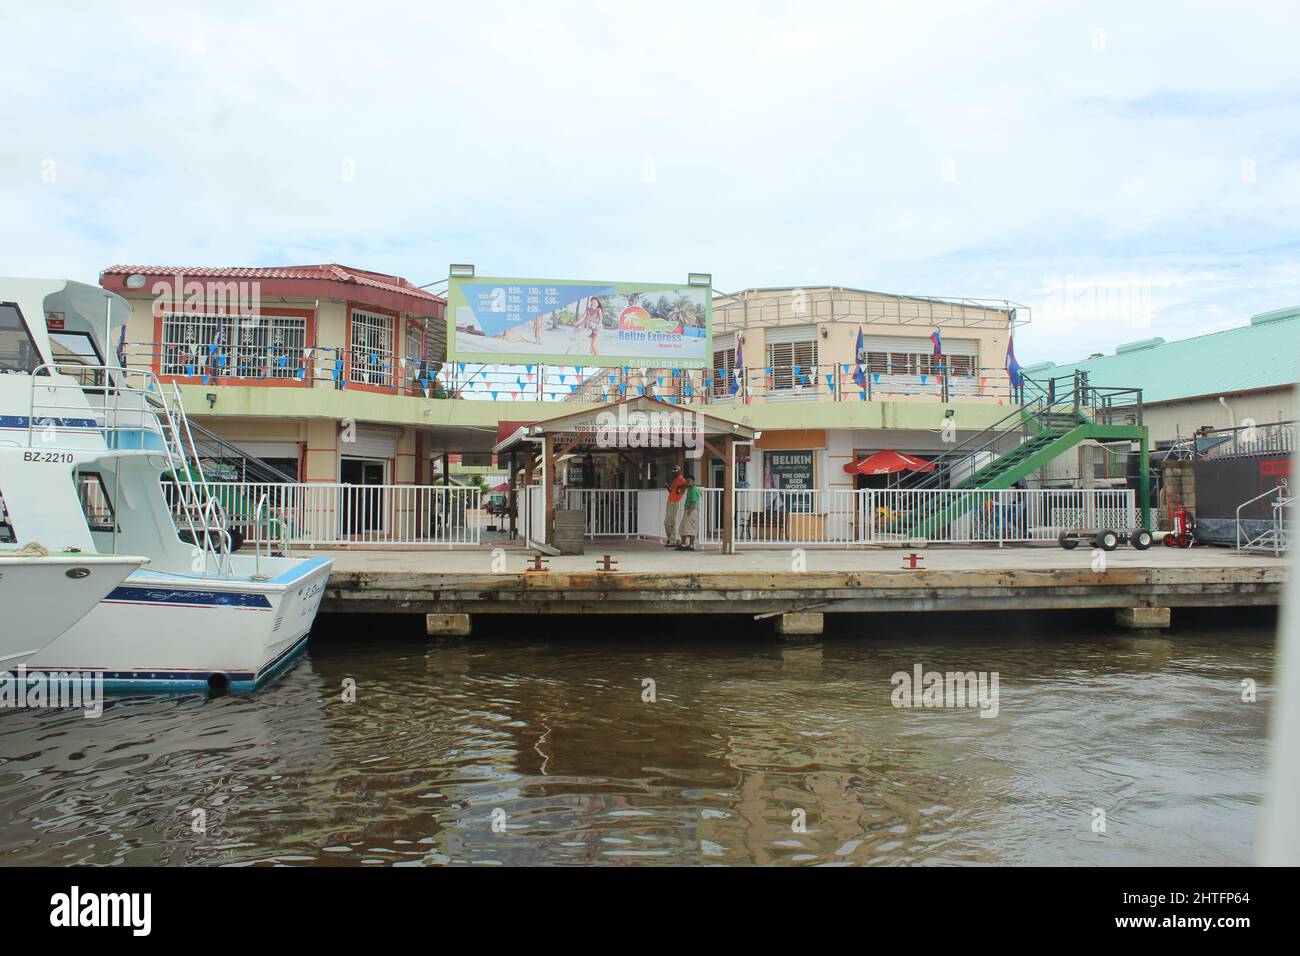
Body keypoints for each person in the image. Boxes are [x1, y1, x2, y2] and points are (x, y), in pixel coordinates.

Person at [664, 464, 687, 547]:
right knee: (668, 522)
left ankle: (672, 540)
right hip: (669, 501)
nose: (674, 472)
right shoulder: (674, 481)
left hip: (675, 502)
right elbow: (672, 491)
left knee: (669, 522)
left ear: (680, 471)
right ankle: (671, 539)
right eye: (673, 470)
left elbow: (686, 485)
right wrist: (668, 487)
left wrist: (680, 490)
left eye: (676, 470)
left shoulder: (681, 479)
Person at [676, 474, 700, 552]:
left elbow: (693, 502)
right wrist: (685, 486)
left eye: (689, 481)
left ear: (693, 481)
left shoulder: (694, 490)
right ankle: (683, 545)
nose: (687, 482)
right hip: (688, 510)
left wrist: (689, 512)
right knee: (683, 528)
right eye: (687, 481)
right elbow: (681, 492)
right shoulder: (689, 489)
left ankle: (691, 545)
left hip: (691, 510)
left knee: (690, 529)